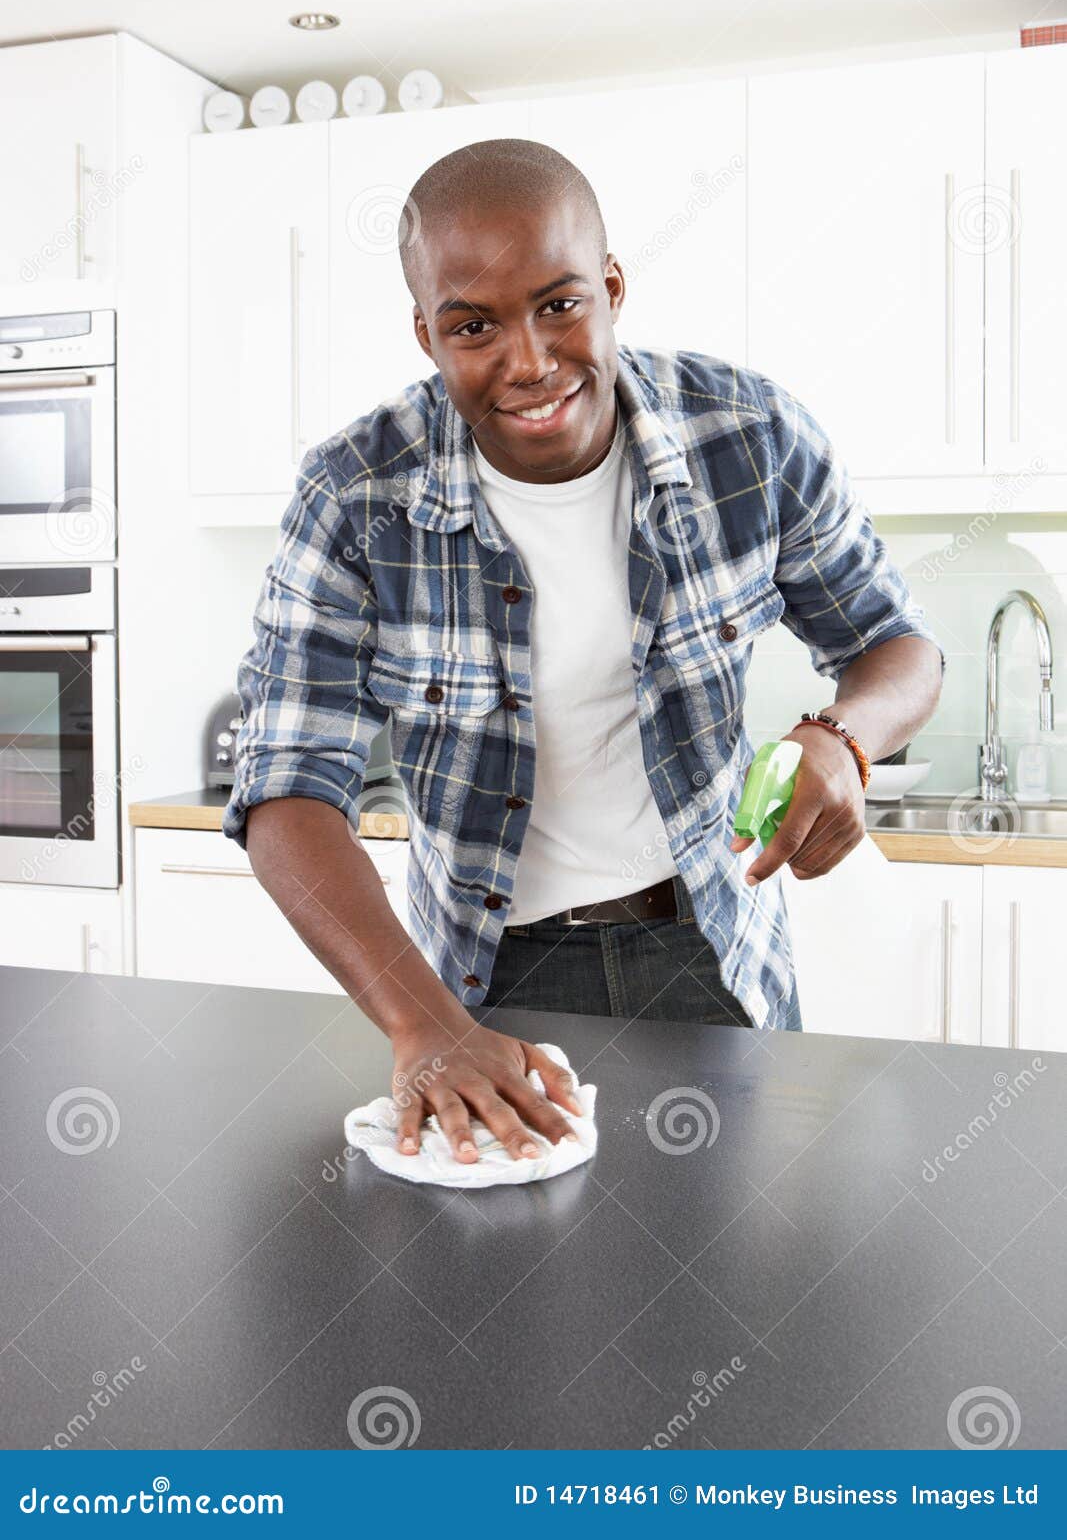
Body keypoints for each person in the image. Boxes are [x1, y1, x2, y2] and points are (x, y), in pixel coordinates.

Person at [222, 137, 945, 1167]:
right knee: (504, 1298)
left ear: (610, 287)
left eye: (559, 304)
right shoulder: (353, 497)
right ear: (425, 332)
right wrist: (424, 1027)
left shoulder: (748, 436)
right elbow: (285, 790)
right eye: (473, 324)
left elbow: (894, 643)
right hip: (479, 979)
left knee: (732, 1276)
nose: (527, 361)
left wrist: (844, 735)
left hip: (710, 947)